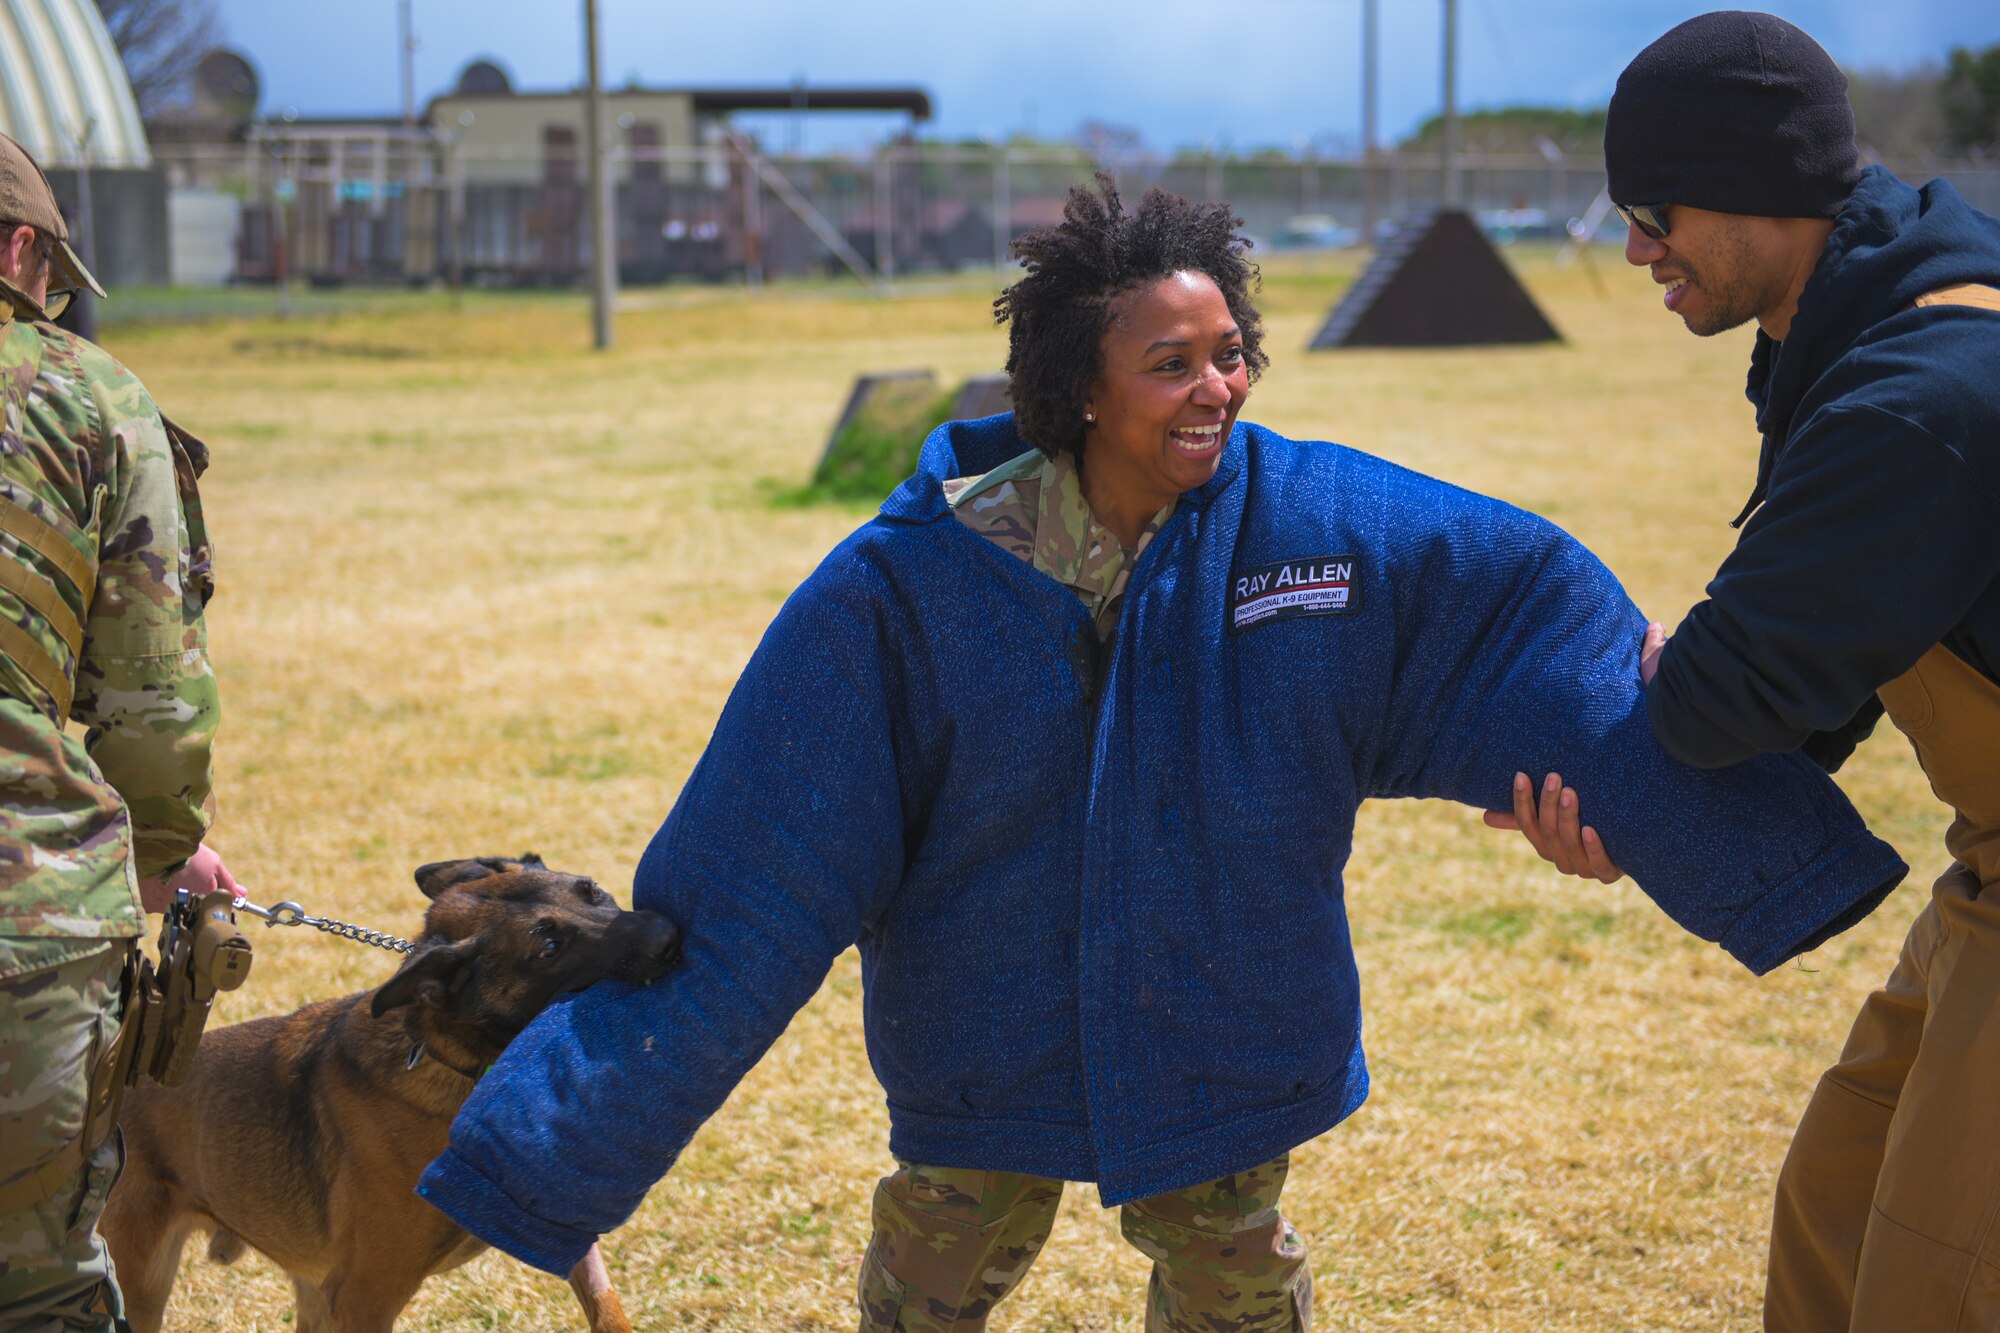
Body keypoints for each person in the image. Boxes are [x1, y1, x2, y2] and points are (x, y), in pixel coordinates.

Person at [416, 179, 1907, 1332]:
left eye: (1231, 353)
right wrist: (547, 1147)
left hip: (1218, 1017)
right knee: (931, 1273)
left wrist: (1669, 800)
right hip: (986, 1022)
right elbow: (753, 859)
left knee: (1233, 1278)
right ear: (1079, 384)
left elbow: (1516, 609)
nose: (1218, 387)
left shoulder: (1315, 531)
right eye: (1171, 362)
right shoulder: (908, 588)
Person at [1490, 12, 2000, 1329]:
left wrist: (1625, 747)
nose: (1634, 249)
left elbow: (1720, 697)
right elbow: (1807, 702)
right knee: (1839, 1199)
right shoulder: (1865, 325)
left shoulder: (1918, 391)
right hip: (1984, 871)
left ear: (1757, 188)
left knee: (1933, 1279)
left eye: (1653, 213)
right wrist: (1636, 796)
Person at [0, 133, 230, 1331]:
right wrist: (159, 851)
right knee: (36, 1291)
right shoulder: (91, 399)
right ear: (23, 251)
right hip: (26, 923)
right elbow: (149, 690)